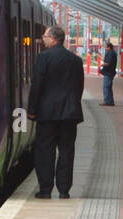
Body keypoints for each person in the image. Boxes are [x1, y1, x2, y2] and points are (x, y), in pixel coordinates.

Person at [28, 25, 85, 199]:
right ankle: (64, 190)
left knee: (45, 150)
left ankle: (45, 189)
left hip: (47, 114)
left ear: (53, 38)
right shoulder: (75, 60)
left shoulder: (43, 58)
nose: (43, 39)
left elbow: (37, 85)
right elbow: (79, 86)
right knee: (67, 151)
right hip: (70, 114)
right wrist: (73, 104)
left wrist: (32, 110)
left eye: (45, 36)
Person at [99, 40, 117, 106]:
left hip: (109, 72)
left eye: (106, 47)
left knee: (106, 87)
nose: (105, 48)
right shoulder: (112, 53)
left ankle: (107, 101)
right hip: (110, 72)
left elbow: (108, 63)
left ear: (109, 47)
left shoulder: (110, 53)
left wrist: (101, 65)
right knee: (108, 87)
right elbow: (107, 61)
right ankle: (110, 101)